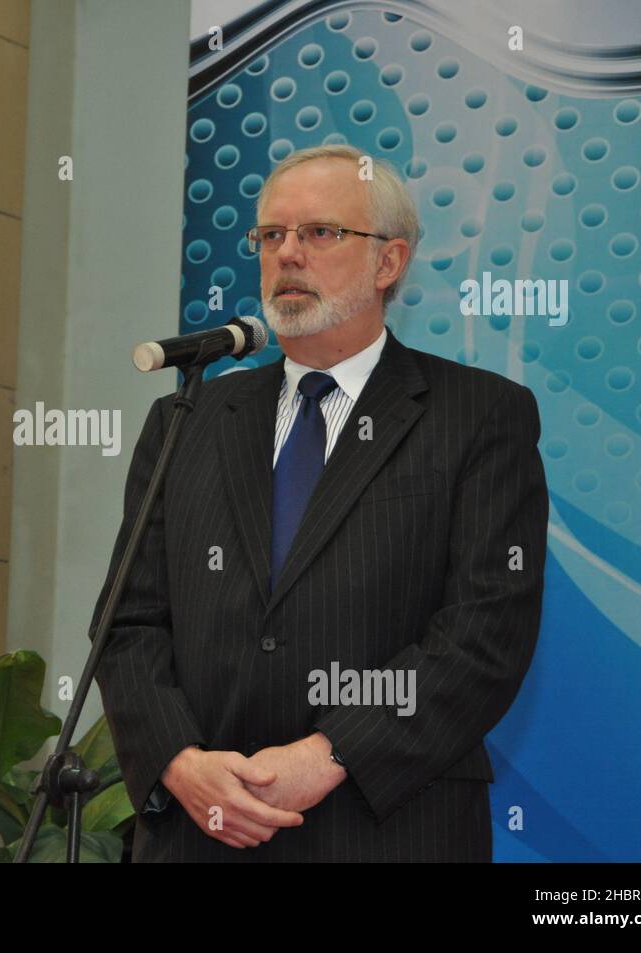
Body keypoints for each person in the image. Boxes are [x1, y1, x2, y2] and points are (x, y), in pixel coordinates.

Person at [89, 144, 548, 862]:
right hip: (200, 830)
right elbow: (128, 619)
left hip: (388, 826)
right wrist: (180, 761)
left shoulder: (479, 414)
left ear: (389, 262)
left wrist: (331, 753)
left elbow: (484, 636)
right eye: (271, 236)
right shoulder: (189, 417)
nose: (288, 254)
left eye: (320, 233)